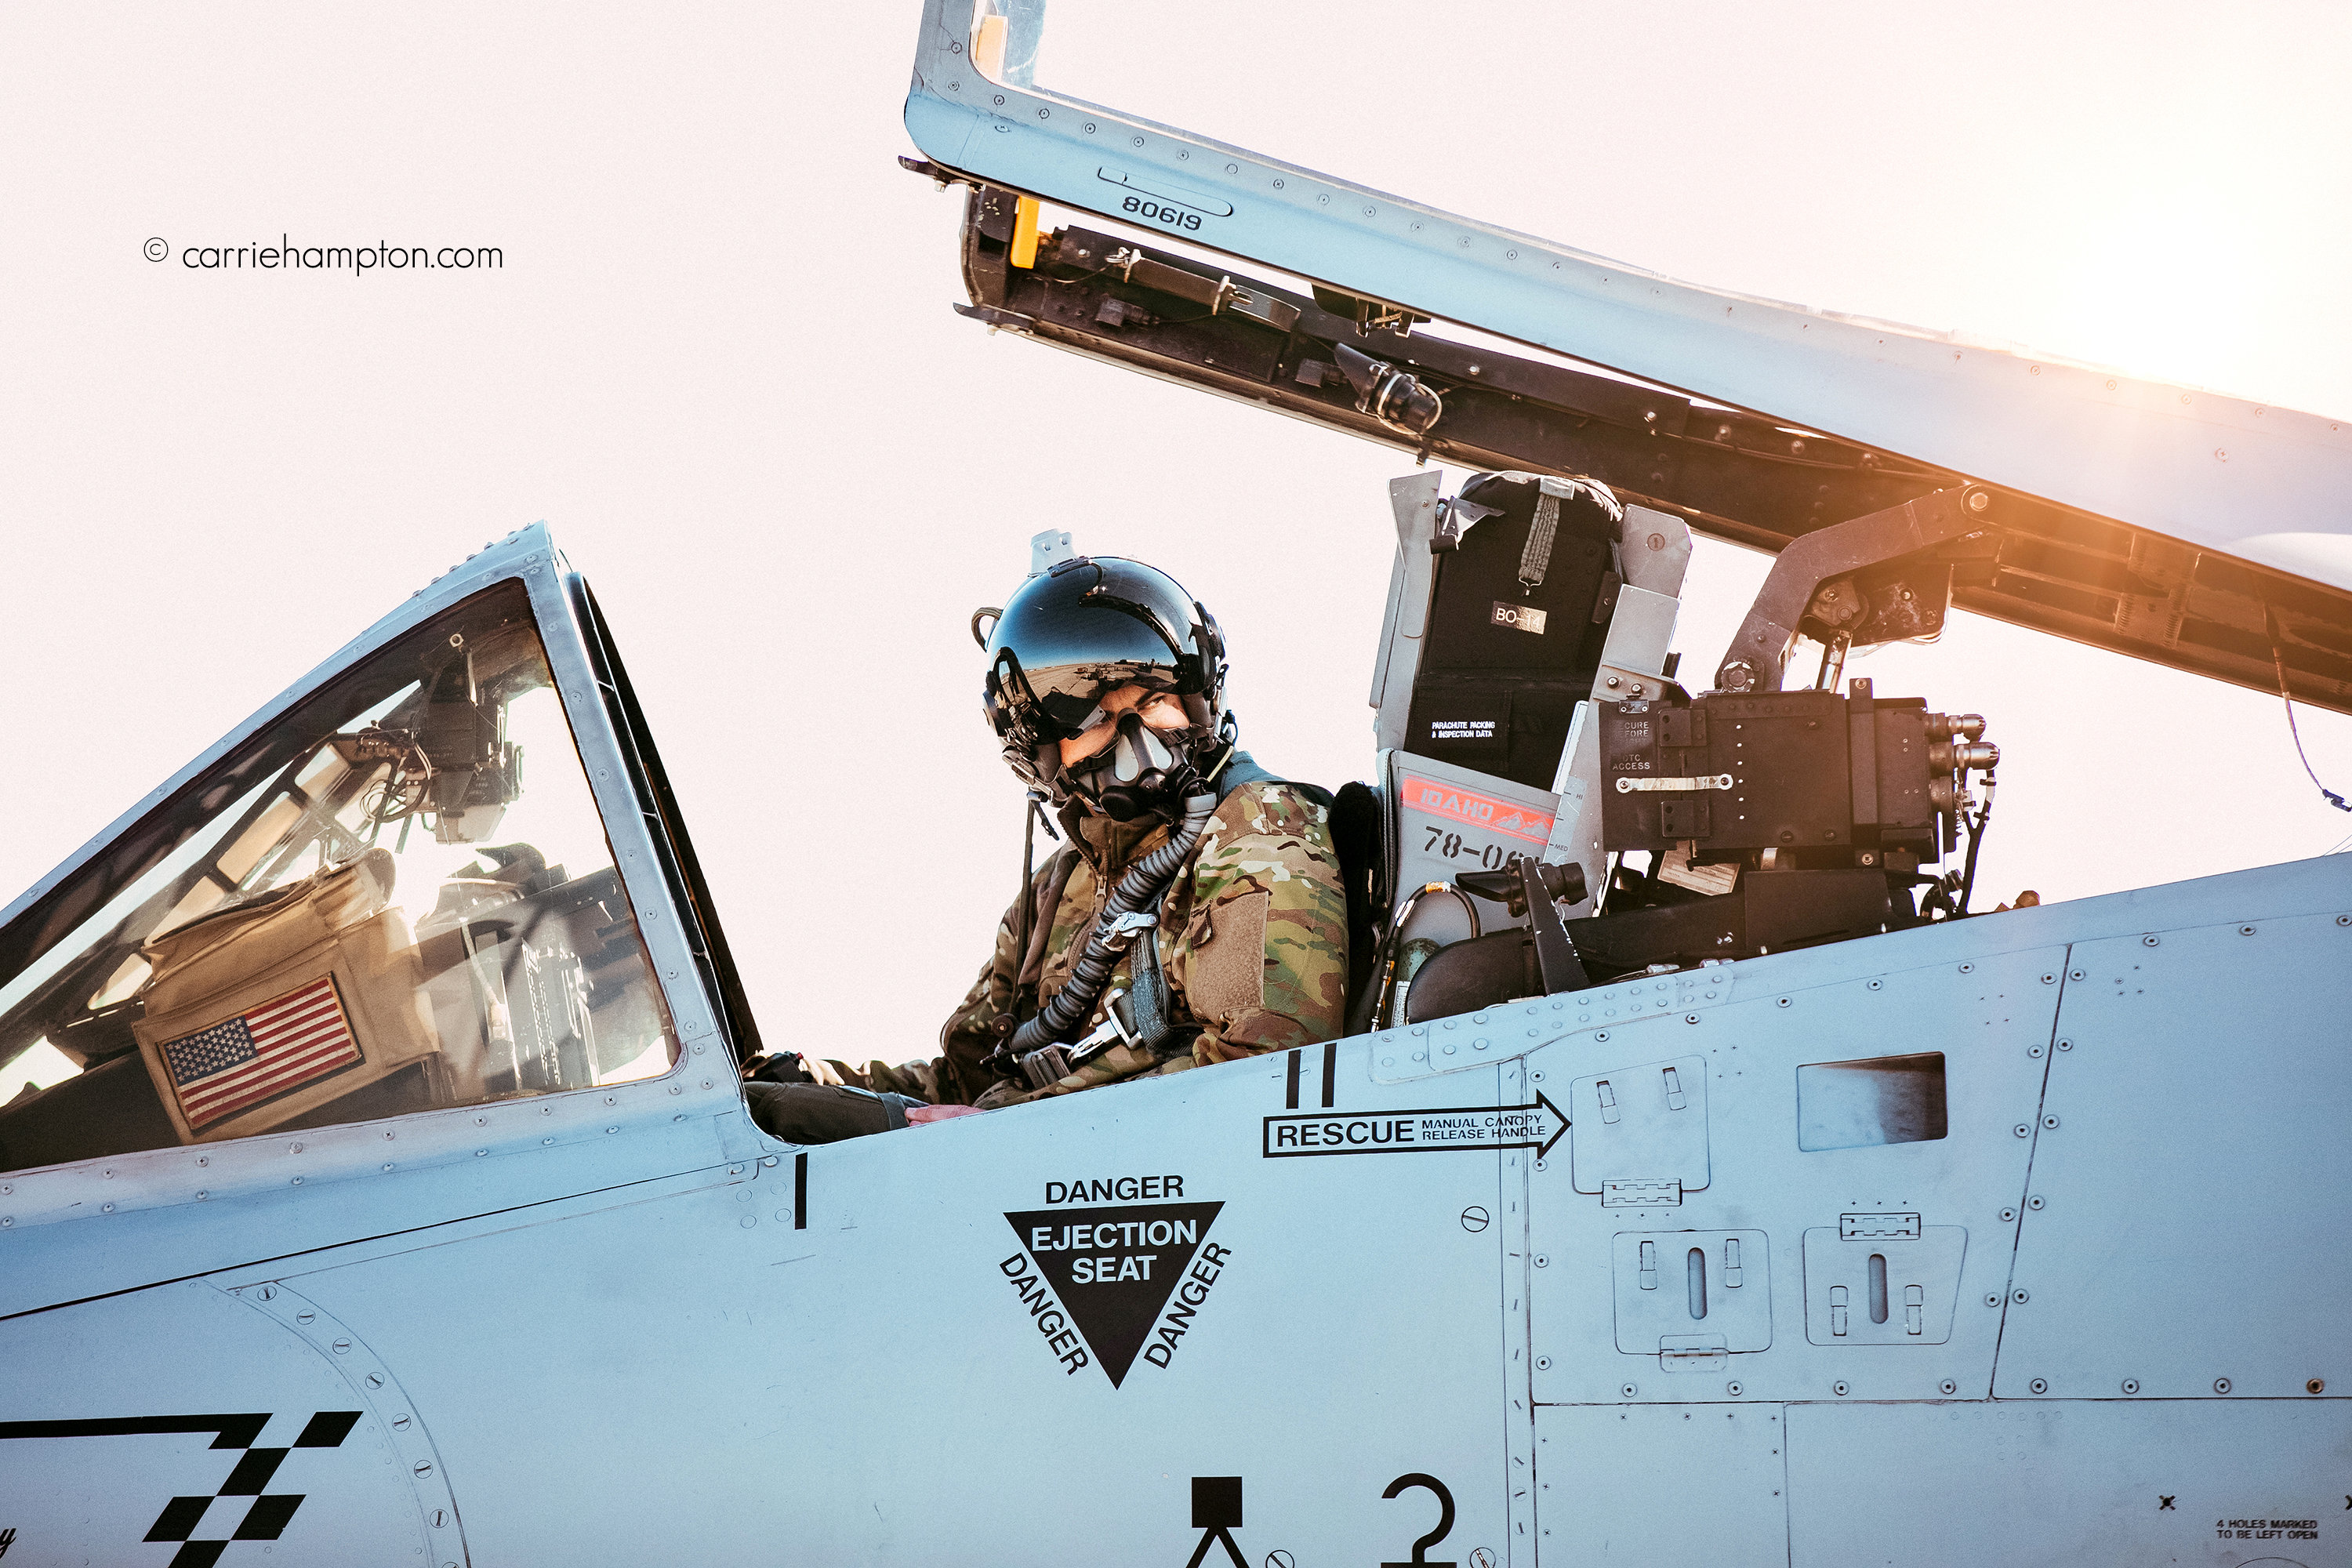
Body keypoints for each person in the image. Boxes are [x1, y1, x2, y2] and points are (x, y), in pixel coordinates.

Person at [742, 554, 1348, 1142]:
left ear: (1192, 700)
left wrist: (1016, 1135)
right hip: (1034, 1177)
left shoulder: (1255, 825)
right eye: (1094, 723)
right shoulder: (1059, 888)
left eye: (1151, 703)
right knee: (767, 1111)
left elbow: (1266, 1068)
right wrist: (818, 1084)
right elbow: (967, 1077)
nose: (1136, 742)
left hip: (1140, 1194)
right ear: (1045, 752)